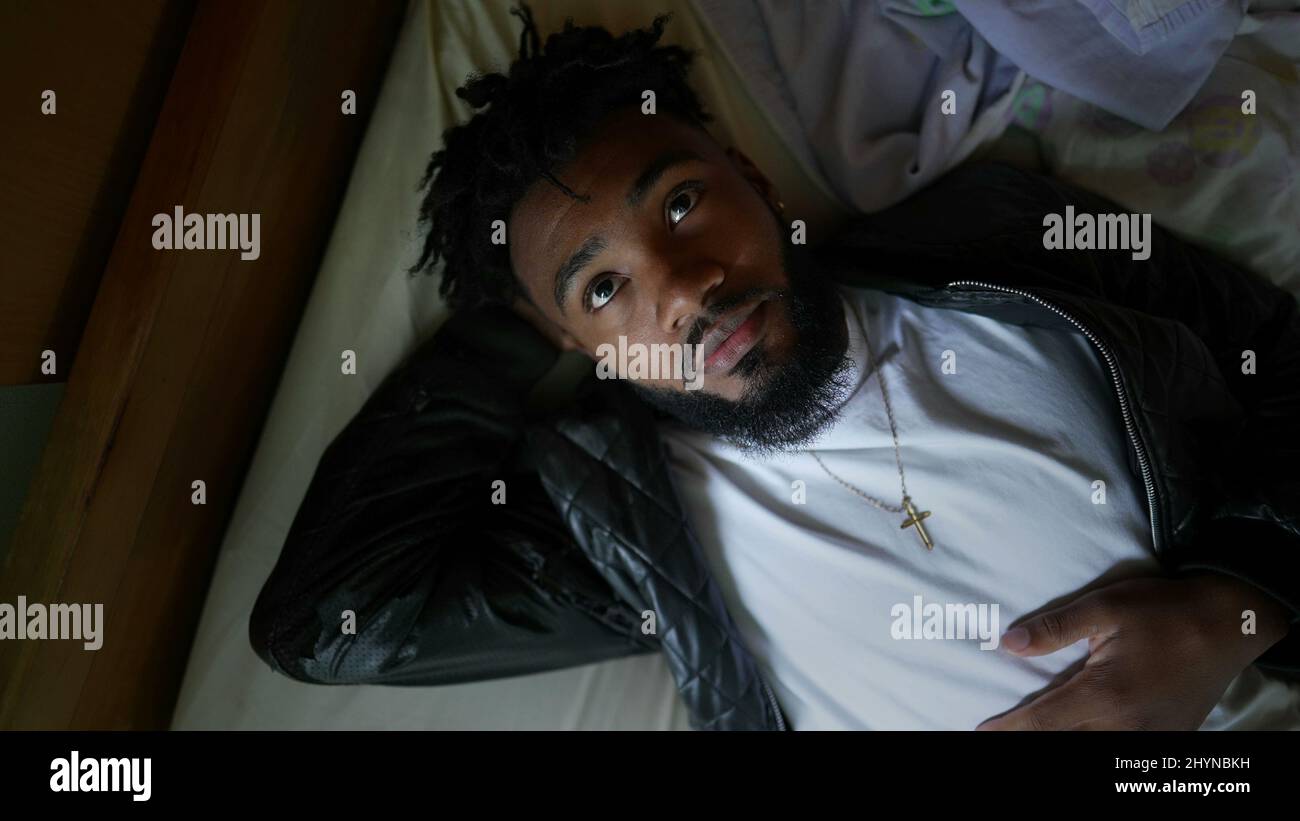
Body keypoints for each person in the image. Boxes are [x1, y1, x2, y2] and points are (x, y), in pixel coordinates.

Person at [249, 4, 1300, 730]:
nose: (686, 281)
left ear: (749, 177)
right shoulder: (631, 532)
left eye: (679, 204)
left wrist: (1236, 608)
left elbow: (1284, 369)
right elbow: (324, 624)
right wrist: (521, 316)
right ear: (572, 344)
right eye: (603, 285)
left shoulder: (995, 234)